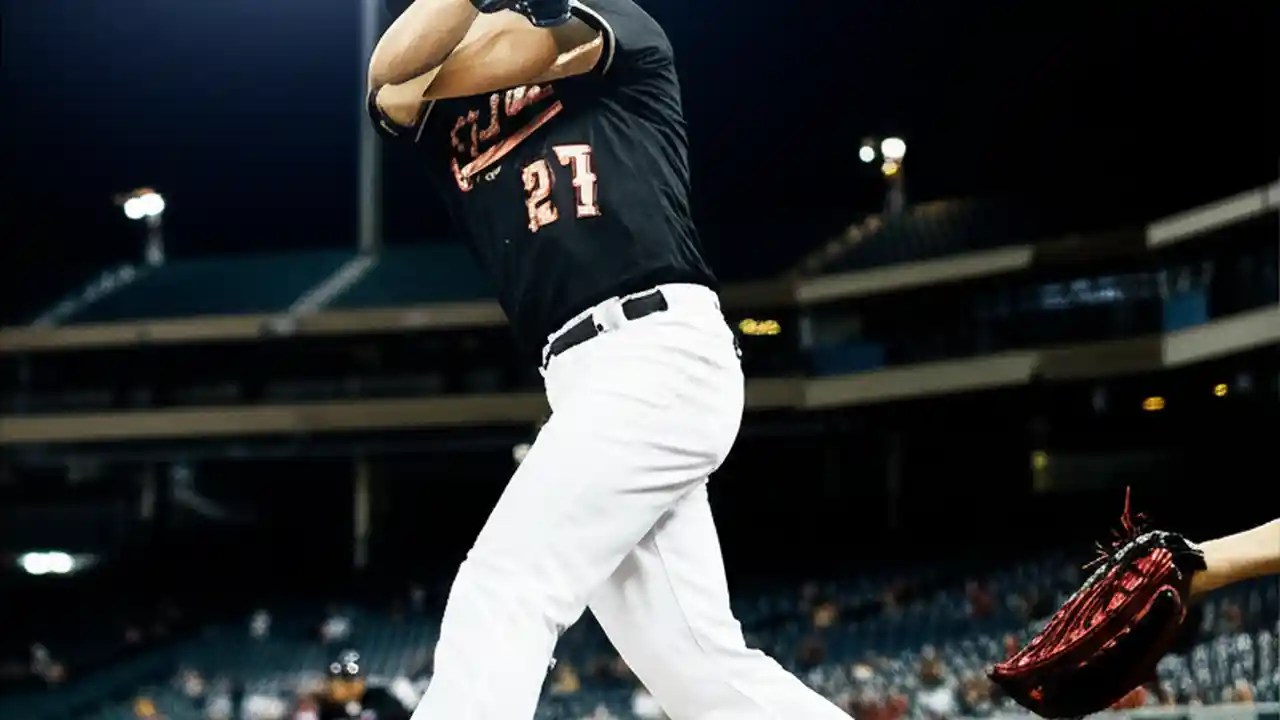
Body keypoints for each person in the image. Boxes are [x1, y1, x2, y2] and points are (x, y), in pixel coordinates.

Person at [367, 0, 851, 717]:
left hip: (656, 346)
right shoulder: (436, 98)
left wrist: (446, 63)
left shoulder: (618, 25)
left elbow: (503, 57)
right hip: (583, 377)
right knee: (698, 670)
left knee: (506, 583)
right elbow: (386, 71)